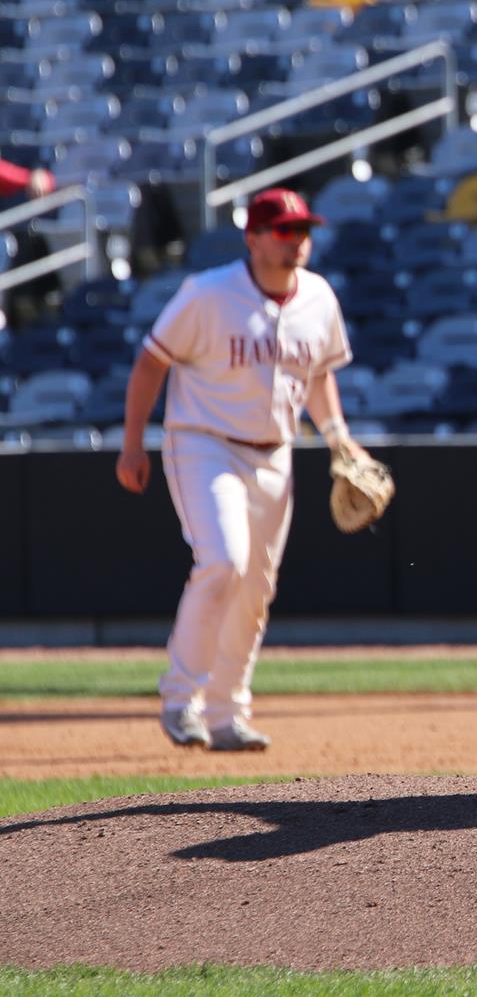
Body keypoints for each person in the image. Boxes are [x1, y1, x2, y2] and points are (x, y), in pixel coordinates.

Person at [115, 187, 366, 751]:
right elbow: (151, 361)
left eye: (302, 230)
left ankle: (228, 713)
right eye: (284, 231)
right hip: (204, 444)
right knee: (224, 561)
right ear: (252, 238)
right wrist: (132, 443)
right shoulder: (207, 293)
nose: (296, 240)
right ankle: (182, 699)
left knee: (256, 588)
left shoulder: (319, 298)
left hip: (276, 452)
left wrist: (337, 438)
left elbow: (318, 375)